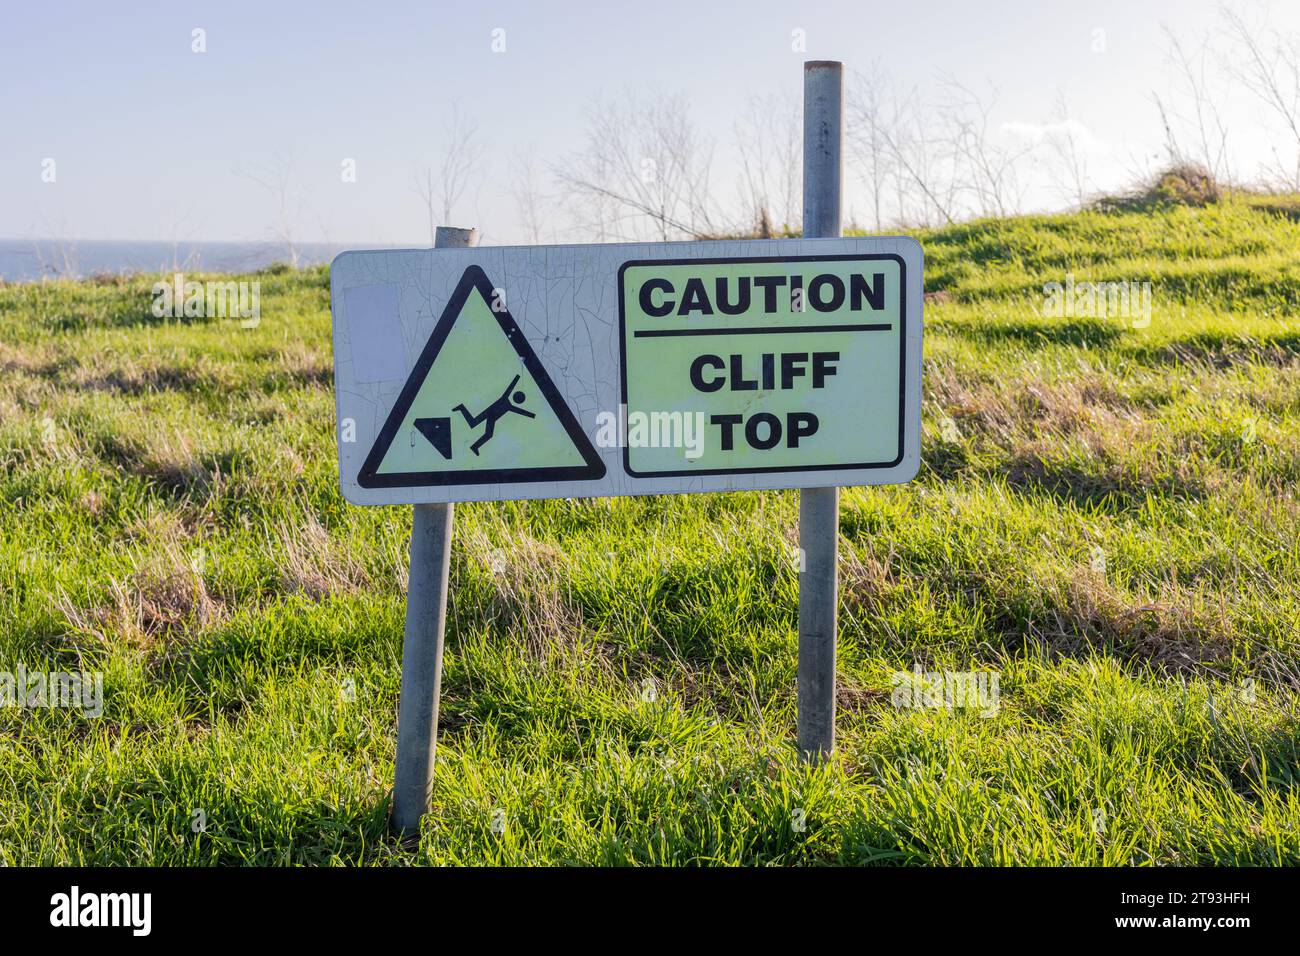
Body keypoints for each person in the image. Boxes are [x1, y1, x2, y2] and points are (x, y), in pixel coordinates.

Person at [452, 374, 536, 455]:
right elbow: (511, 388)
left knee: (481, 429)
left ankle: (474, 446)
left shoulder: (509, 405)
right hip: (489, 413)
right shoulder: (505, 399)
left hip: (491, 417)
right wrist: (517, 378)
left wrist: (532, 415)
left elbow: (520, 411)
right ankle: (462, 409)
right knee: (475, 425)